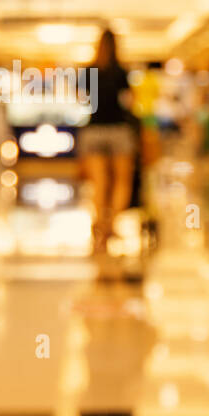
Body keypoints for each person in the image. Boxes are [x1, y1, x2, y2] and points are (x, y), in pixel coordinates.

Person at [77, 28, 136, 254]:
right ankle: (112, 224)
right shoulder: (121, 72)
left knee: (99, 182)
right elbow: (129, 101)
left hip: (93, 129)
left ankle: (100, 223)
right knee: (122, 180)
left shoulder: (88, 72)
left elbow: (81, 99)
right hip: (118, 130)